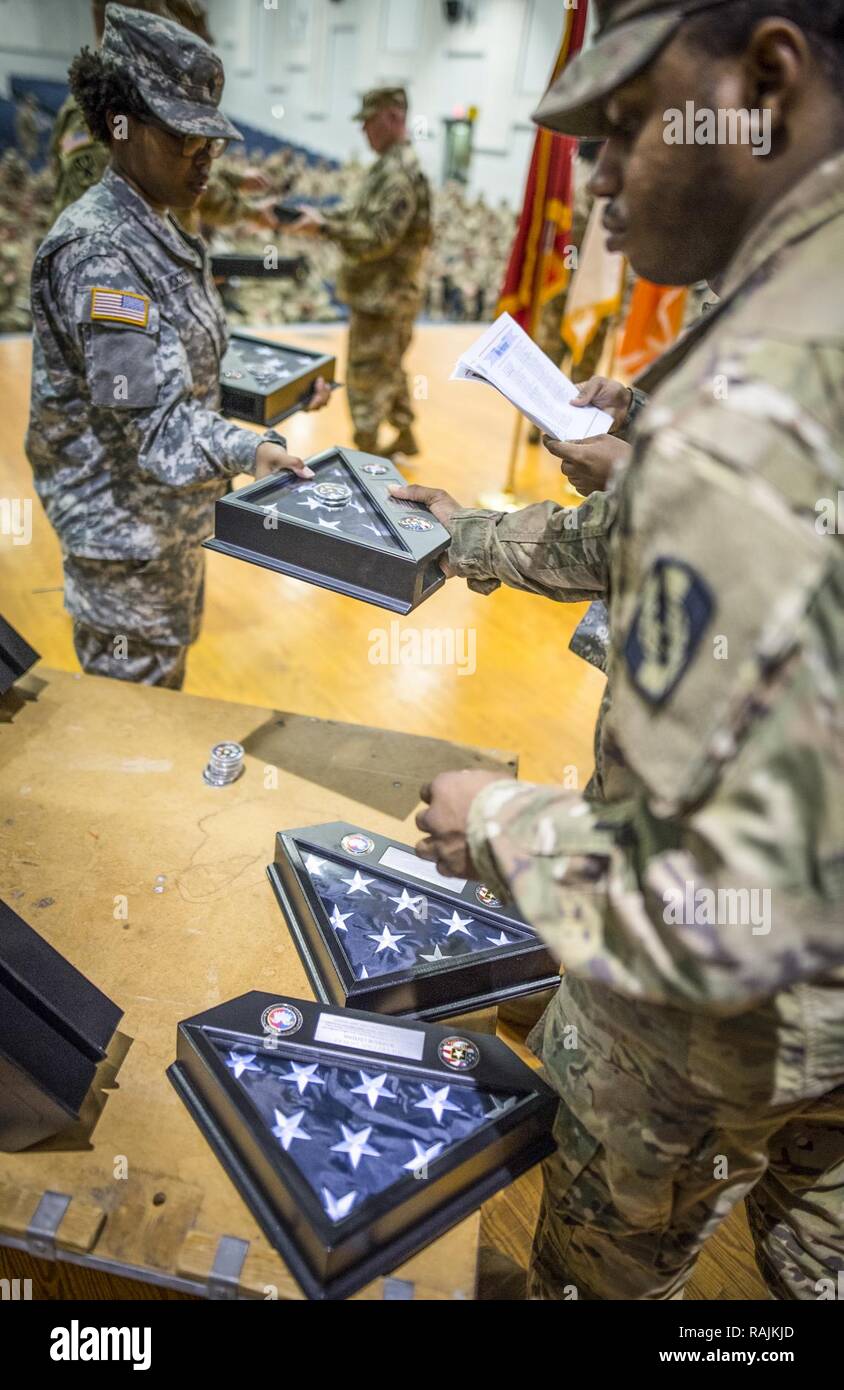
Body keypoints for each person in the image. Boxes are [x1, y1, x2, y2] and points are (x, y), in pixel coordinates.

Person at [394, 0, 844, 1300]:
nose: (594, 179)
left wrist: (504, 822)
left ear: (763, 81)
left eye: (630, 125)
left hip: (726, 1040)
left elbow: (736, 911)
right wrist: (477, 539)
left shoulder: (758, 397)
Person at [26, 5, 329, 690]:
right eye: (184, 138)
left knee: (158, 704)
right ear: (120, 126)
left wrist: (281, 394)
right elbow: (154, 427)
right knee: (133, 730)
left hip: (164, 525)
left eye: (212, 140)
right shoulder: (101, 251)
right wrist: (252, 449)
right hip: (125, 541)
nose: (205, 159)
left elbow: (182, 364)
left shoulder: (156, 227)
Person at [47, 0, 278, 236]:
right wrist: (250, 211)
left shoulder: (150, 104)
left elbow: (172, 166)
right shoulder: (107, 112)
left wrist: (236, 180)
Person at [288, 87, 432, 460]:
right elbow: (358, 216)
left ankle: (366, 462)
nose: (364, 130)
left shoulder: (398, 172)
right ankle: (405, 434)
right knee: (390, 370)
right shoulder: (386, 166)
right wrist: (322, 219)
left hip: (383, 300)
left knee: (365, 381)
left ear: (393, 117)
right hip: (381, 296)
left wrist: (324, 229)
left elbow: (378, 238)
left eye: (369, 121)